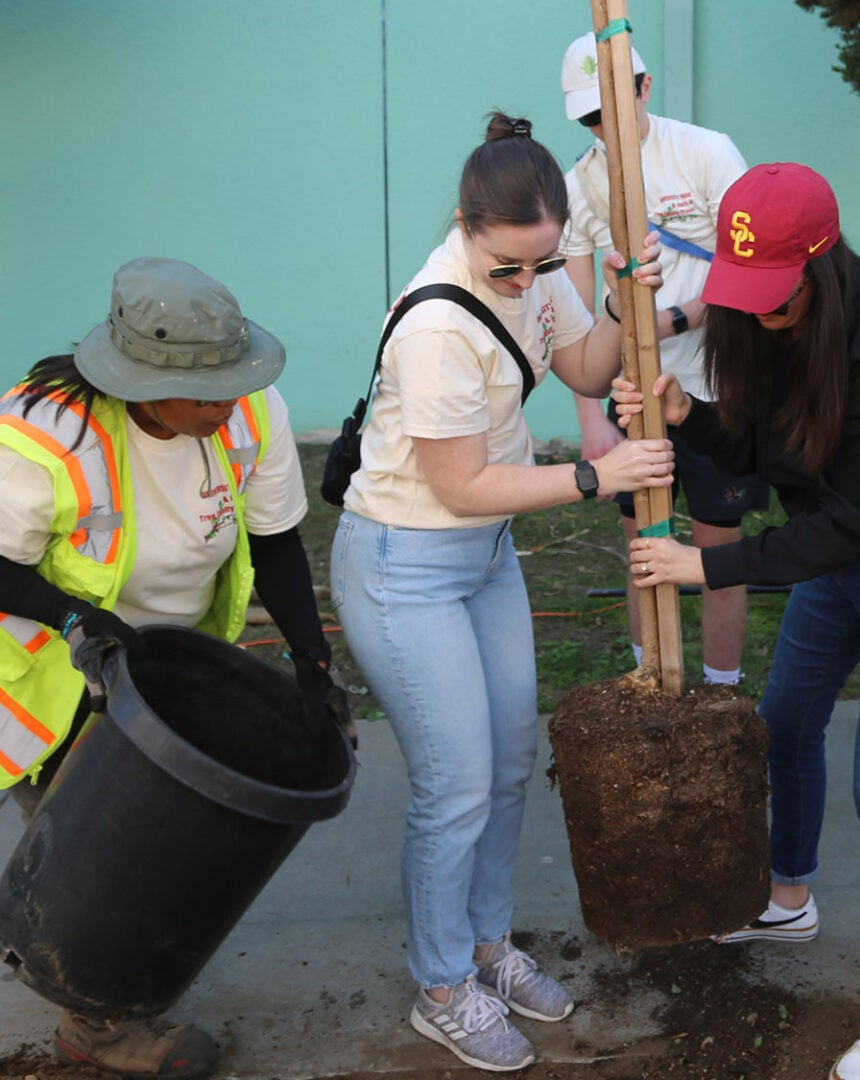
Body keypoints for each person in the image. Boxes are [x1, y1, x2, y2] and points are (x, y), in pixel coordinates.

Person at [622, 163, 860, 1080]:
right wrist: (688, 417)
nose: (756, 314)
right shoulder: (765, 319)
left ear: (821, 266)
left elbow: (853, 522)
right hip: (841, 540)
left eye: (773, 297)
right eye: (742, 295)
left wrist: (704, 564)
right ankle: (788, 896)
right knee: (782, 722)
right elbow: (766, 448)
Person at [328, 113, 674, 1073]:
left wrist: (614, 302)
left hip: (482, 559)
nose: (526, 285)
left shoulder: (540, 267)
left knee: (511, 762)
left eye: (541, 264)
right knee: (456, 782)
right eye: (508, 270)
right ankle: (442, 986)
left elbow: (585, 368)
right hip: (407, 563)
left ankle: (489, 948)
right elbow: (460, 485)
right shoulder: (438, 324)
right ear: (463, 227)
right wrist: (599, 476)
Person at [0, 256, 350, 1080]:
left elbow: (273, 545)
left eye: (236, 381)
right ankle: (97, 1024)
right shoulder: (43, 437)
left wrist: (311, 659)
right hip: (53, 669)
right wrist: (79, 621)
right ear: (140, 383)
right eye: (208, 394)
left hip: (164, 667)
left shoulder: (250, 413)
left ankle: (104, 988)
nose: (229, 404)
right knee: (98, 855)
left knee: (157, 839)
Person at [554, 32, 763, 688]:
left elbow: (746, 271)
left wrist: (668, 320)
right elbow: (574, 319)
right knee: (643, 548)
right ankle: (651, 687)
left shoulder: (705, 153)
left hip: (716, 386)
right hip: (633, 396)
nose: (605, 129)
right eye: (591, 118)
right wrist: (591, 413)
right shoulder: (577, 186)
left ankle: (723, 691)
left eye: (615, 107)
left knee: (717, 549)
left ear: (645, 88)